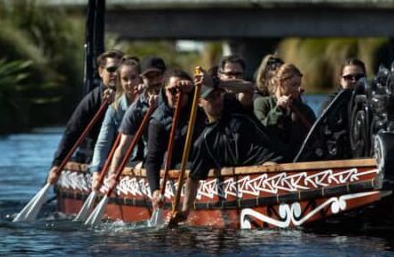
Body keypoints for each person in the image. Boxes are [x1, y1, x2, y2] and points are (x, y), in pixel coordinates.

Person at [171, 76, 284, 225]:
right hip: (256, 178)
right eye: (211, 98)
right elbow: (194, 178)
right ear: (199, 102)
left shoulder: (235, 107)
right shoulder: (204, 141)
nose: (217, 100)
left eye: (218, 95)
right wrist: (185, 211)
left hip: (277, 163)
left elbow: (249, 88)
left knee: (272, 167)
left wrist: (217, 83)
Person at [47, 50, 122, 185]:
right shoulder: (91, 100)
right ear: (101, 72)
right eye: (111, 69)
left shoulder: (134, 97)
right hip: (93, 158)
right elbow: (72, 132)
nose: (115, 74)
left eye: (119, 69)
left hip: (124, 158)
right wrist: (57, 164)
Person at [145, 69, 201, 209]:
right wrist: (155, 190)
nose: (178, 94)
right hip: (178, 167)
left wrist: (194, 88)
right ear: (164, 91)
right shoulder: (158, 120)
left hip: (202, 164)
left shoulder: (199, 109)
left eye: (182, 90)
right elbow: (152, 160)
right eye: (172, 91)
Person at [105, 56, 166, 183]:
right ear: (142, 79)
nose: (155, 81)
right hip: (154, 162)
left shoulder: (176, 98)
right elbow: (122, 148)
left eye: (158, 76)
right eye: (150, 77)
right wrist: (112, 174)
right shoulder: (136, 109)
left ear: (165, 76)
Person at [89, 56, 141, 191]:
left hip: (145, 160)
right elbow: (102, 144)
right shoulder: (114, 108)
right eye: (125, 79)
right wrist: (96, 172)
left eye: (133, 78)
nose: (130, 83)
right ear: (120, 81)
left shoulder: (151, 102)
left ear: (140, 78)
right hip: (125, 161)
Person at [253, 62, 316, 161]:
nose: (298, 89)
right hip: (270, 161)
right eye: (294, 85)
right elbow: (262, 132)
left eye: (299, 85)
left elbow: (315, 136)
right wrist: (279, 109)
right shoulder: (262, 103)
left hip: (299, 161)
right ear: (280, 83)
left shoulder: (304, 110)